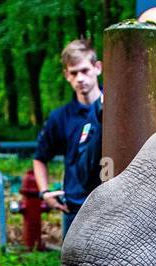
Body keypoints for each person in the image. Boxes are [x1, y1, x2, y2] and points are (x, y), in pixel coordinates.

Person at [33, 40, 103, 237]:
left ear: (97, 68)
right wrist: (45, 192)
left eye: (84, 70)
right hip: (75, 209)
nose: (80, 78)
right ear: (66, 76)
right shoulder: (60, 117)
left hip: (113, 207)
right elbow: (40, 158)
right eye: (73, 73)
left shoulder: (118, 107)